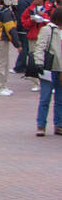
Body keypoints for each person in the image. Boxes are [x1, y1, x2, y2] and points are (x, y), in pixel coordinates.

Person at [33, 8, 62, 136]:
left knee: (60, 100)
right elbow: (40, 47)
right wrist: (39, 62)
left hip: (60, 69)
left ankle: (59, 124)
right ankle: (41, 125)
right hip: (48, 68)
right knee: (45, 98)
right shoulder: (48, 30)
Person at [0, 1, 20, 95]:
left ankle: (2, 86)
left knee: (3, 62)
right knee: (3, 63)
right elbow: (10, 28)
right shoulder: (6, 12)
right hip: (1, 38)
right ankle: (0, 87)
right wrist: (17, 44)